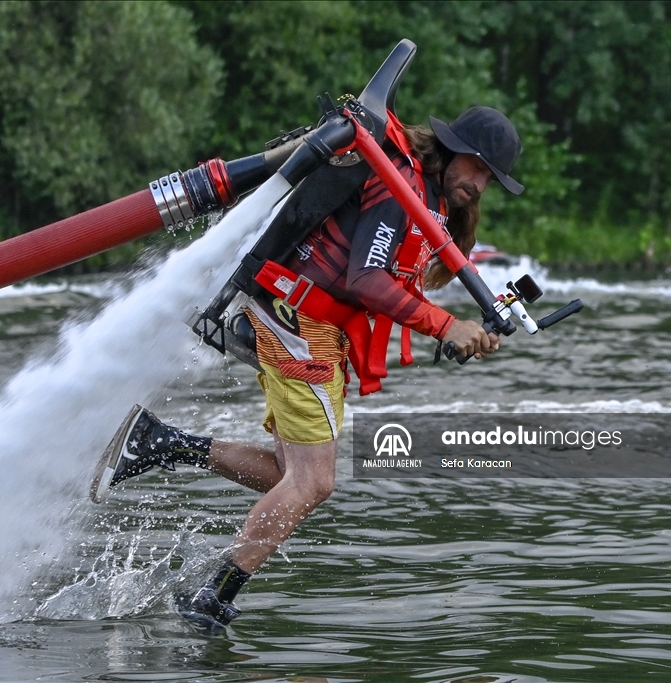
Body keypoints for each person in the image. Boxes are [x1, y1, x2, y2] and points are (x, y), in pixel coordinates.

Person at [106, 106, 523, 632]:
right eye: (478, 168)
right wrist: (443, 326)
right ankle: (211, 598)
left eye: (490, 177)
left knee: (290, 476)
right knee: (313, 483)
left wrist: (460, 331)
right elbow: (367, 278)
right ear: (451, 150)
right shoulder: (401, 188)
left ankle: (157, 442)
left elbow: (390, 283)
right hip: (301, 320)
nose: (480, 184)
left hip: (306, 324)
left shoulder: (430, 200)